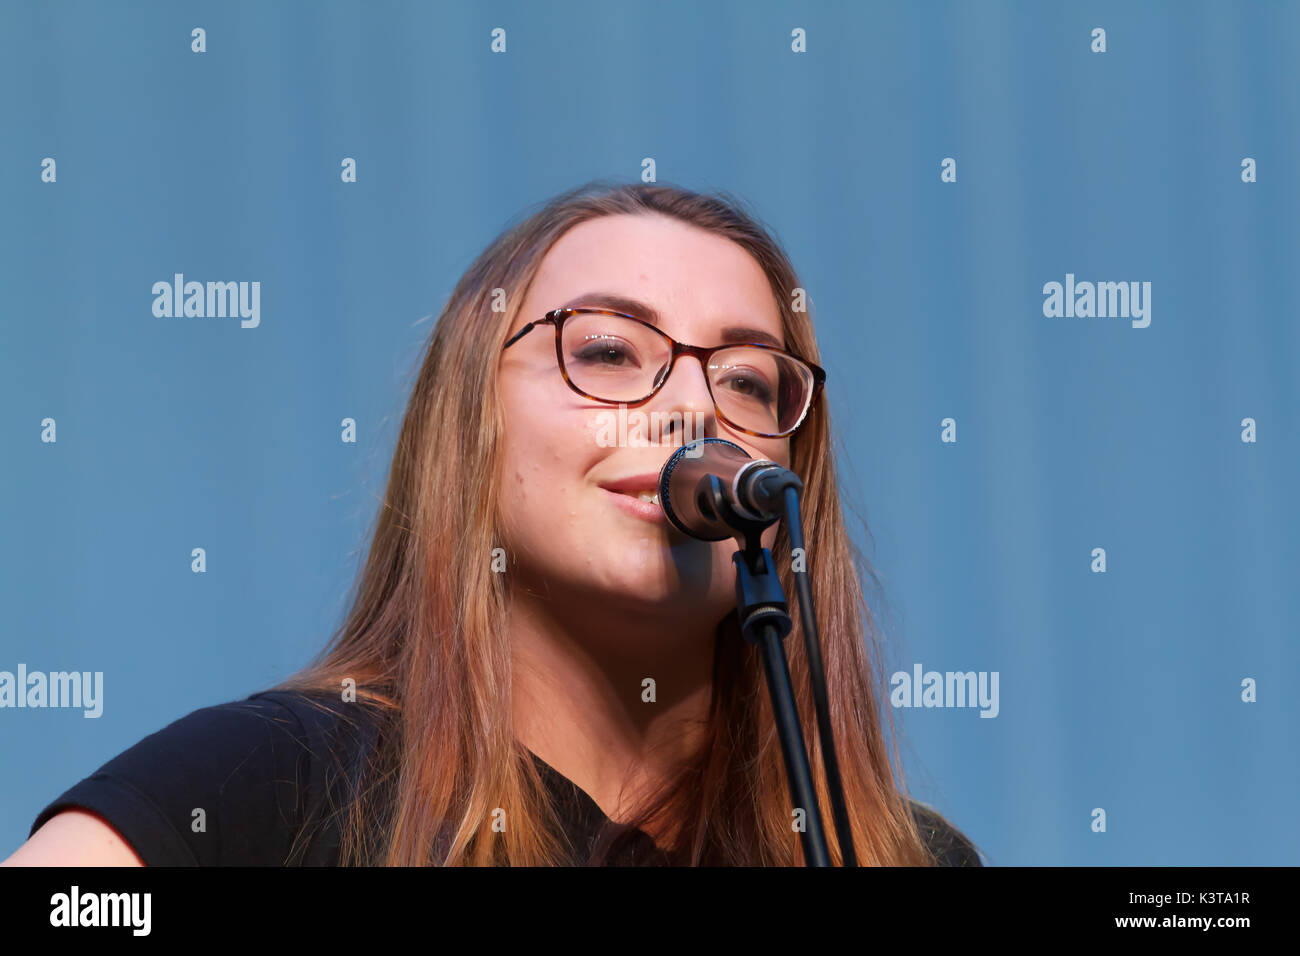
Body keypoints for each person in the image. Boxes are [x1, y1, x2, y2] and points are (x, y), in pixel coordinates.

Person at [4, 180, 981, 867]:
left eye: (745, 378)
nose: (690, 407)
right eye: (605, 349)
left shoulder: (905, 854)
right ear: (467, 425)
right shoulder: (273, 781)